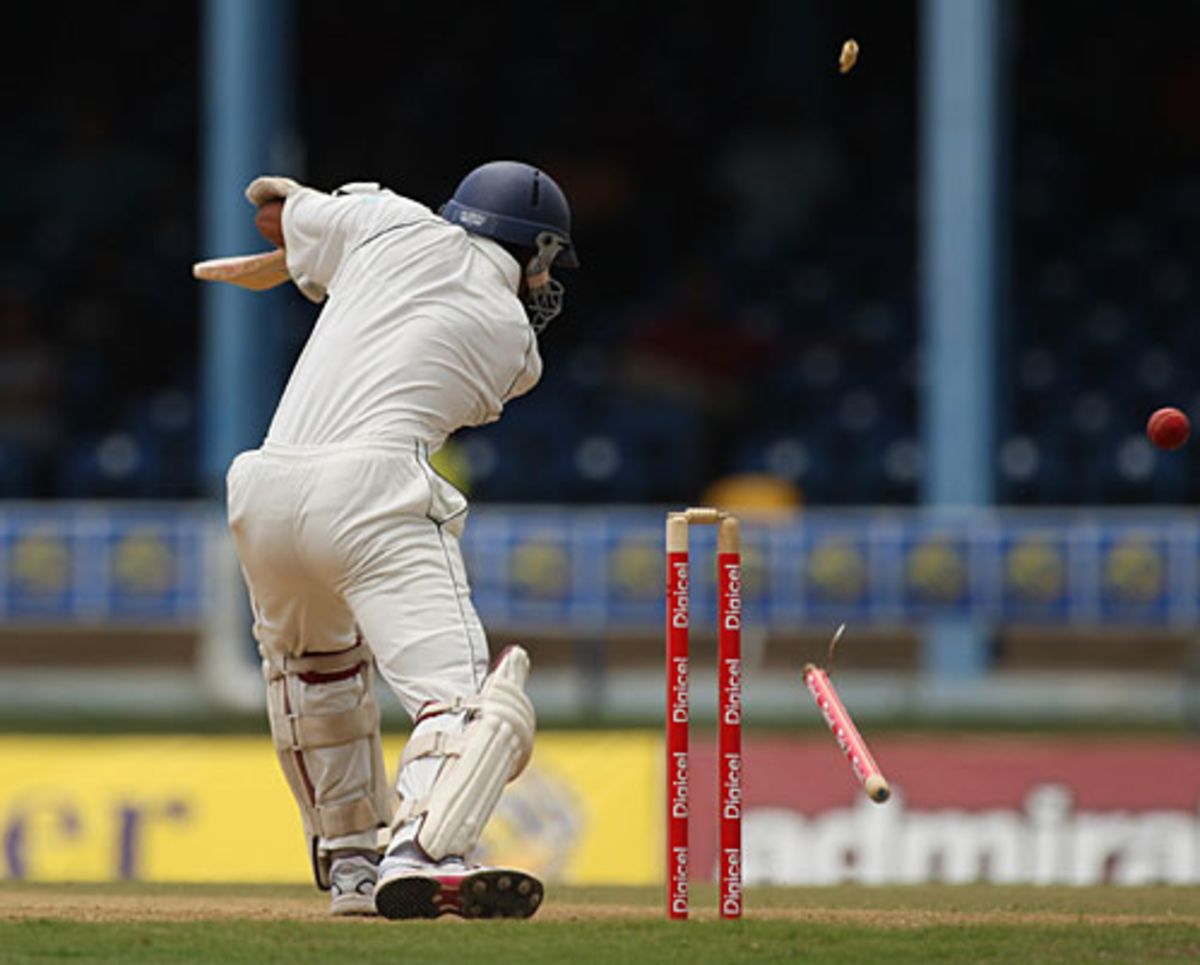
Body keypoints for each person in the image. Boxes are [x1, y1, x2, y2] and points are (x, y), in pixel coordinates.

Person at [223, 161, 578, 919]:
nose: (546, 281)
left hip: (262, 486)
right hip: (371, 491)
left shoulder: (385, 219)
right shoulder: (517, 347)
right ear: (533, 249)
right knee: (463, 702)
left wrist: (303, 250)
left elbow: (272, 204)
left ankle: (351, 860)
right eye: (546, 262)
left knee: (314, 674)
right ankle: (424, 848)